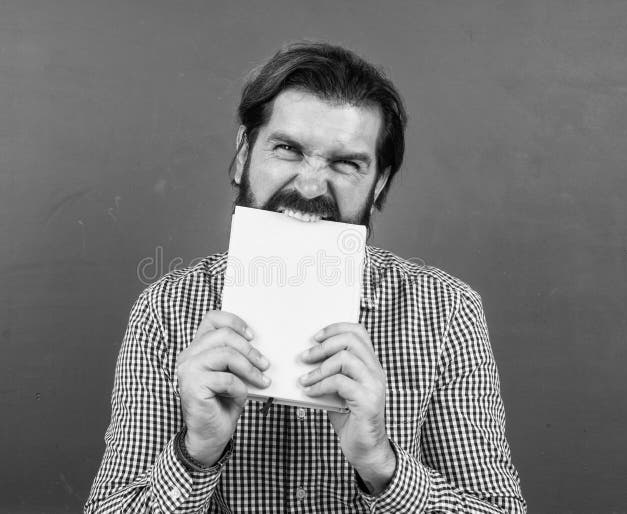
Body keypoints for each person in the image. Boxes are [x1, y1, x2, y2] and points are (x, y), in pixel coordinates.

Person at [85, 41, 526, 513]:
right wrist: (197, 450)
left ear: (378, 184)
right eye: (288, 149)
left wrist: (381, 463)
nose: (312, 185)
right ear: (242, 155)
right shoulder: (167, 309)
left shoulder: (446, 311)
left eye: (346, 163)